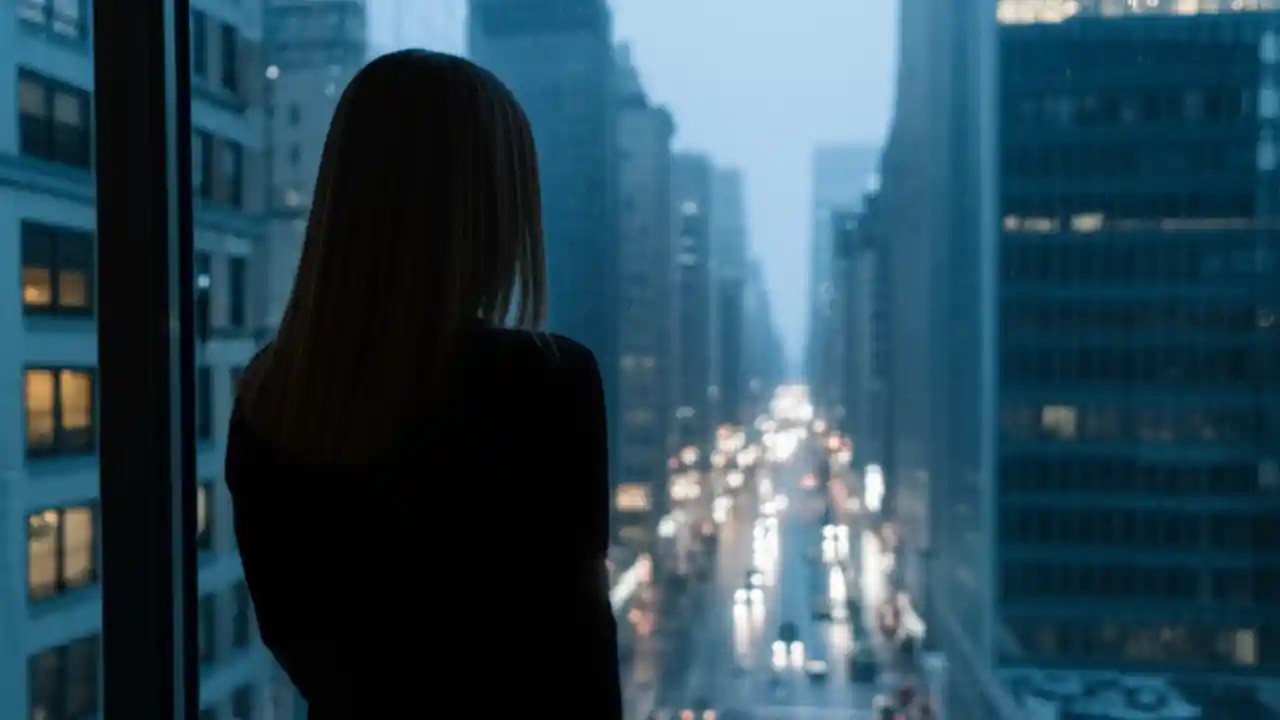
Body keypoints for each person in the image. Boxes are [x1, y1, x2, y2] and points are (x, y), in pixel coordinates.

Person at [225, 50, 622, 717]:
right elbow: (576, 649)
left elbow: (294, 637)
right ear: (493, 213)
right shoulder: (545, 383)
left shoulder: (274, 393)